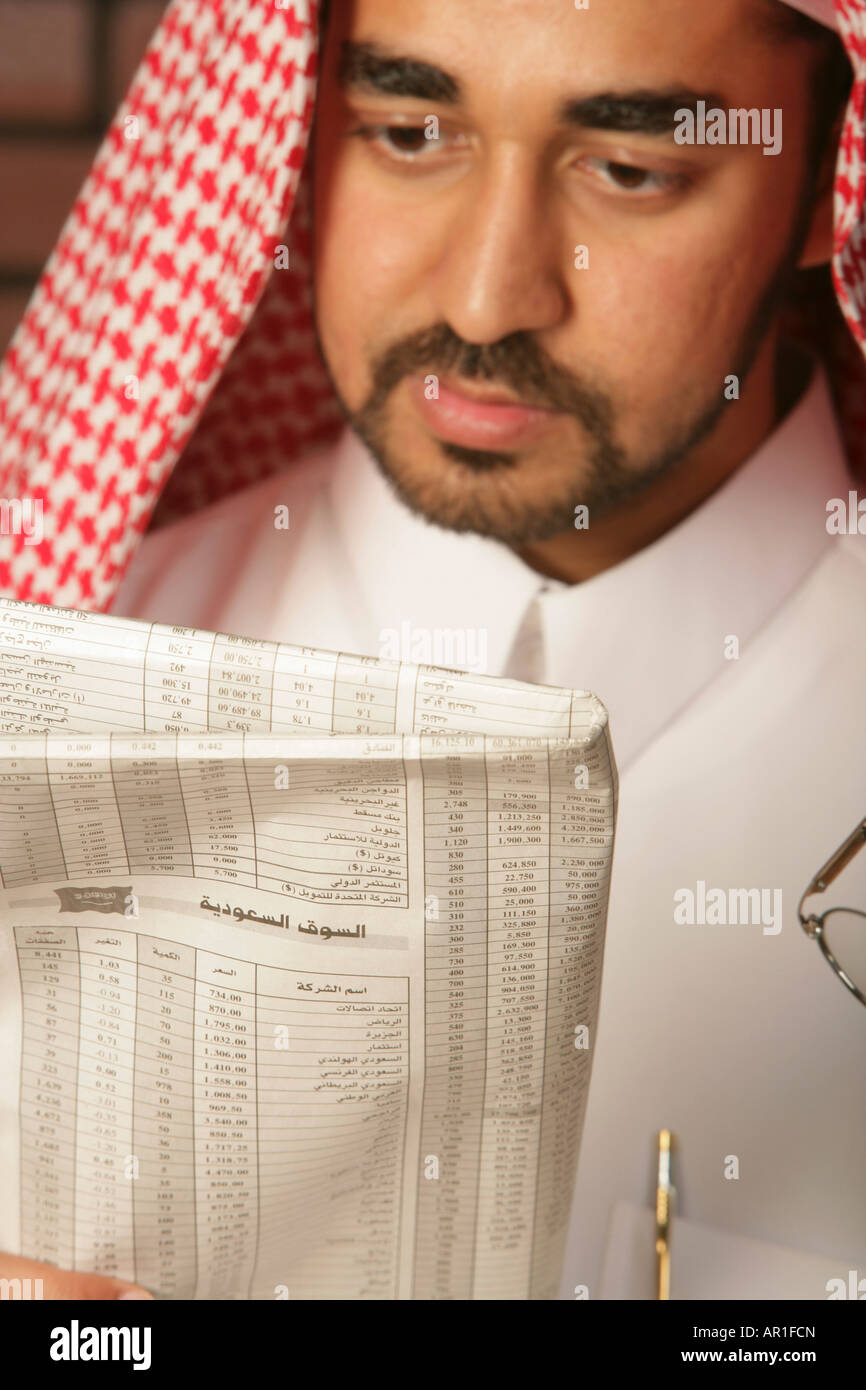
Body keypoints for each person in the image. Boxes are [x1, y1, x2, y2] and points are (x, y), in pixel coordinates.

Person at [0, 0, 865, 1299]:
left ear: (822, 184)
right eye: (408, 131)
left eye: (628, 169)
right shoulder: (60, 657)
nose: (483, 294)